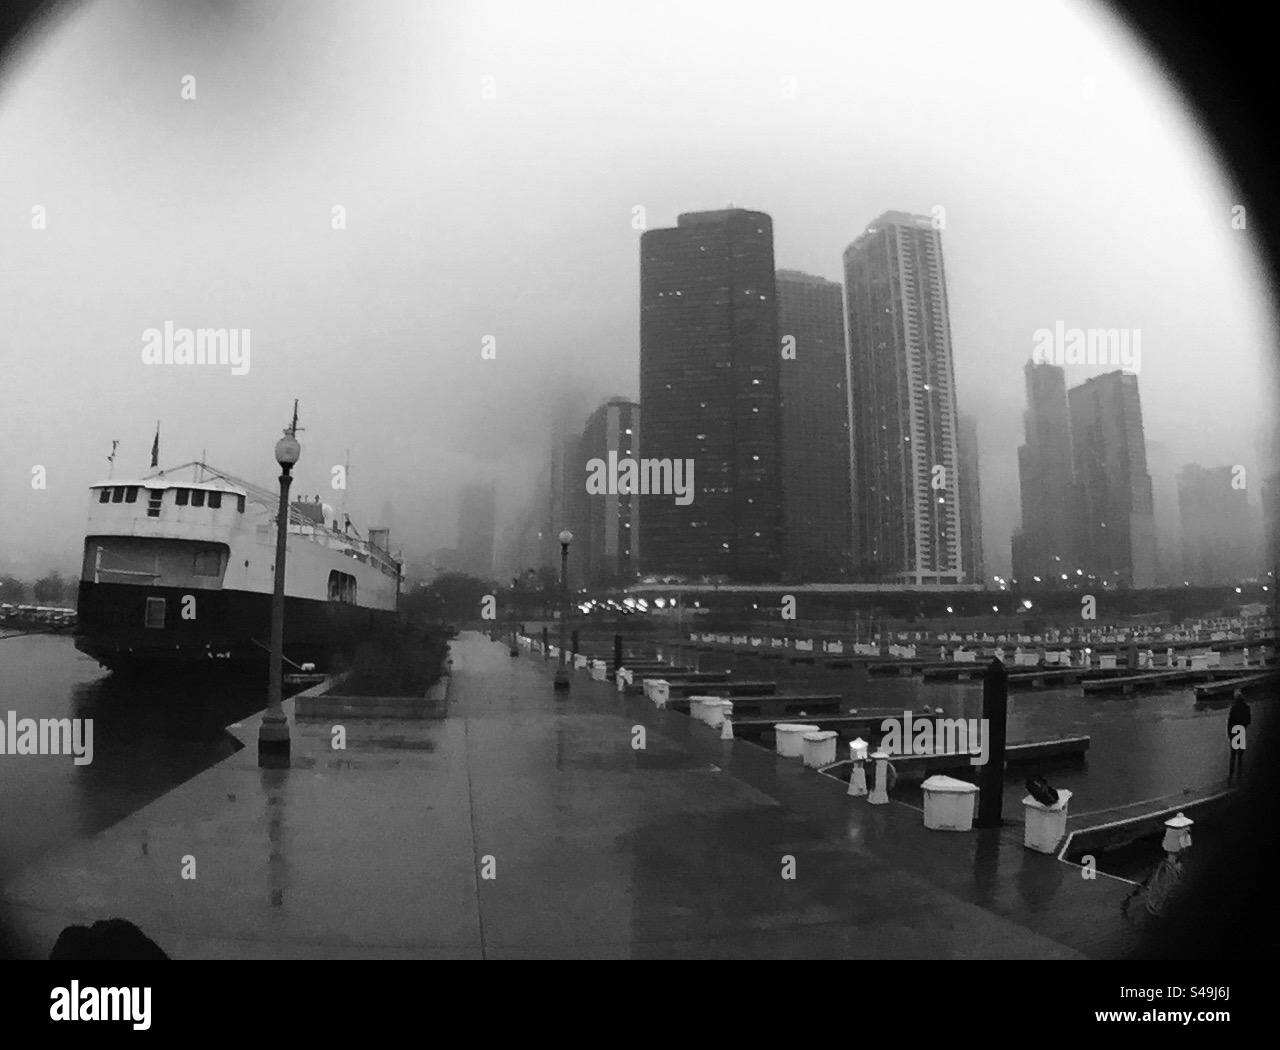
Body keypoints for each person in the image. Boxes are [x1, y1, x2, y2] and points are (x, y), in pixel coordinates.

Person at [1227, 689, 1251, 781]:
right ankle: (1239, 775)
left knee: (1233, 755)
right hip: (1241, 731)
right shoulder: (1246, 707)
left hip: (1234, 732)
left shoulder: (1234, 708)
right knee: (1240, 756)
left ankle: (1231, 775)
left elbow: (1230, 722)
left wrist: (1229, 734)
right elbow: (1249, 720)